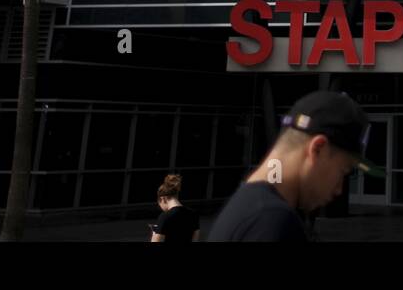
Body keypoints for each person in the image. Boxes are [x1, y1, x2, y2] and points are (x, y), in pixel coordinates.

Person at [207, 90, 381, 242]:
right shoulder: (272, 221)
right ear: (318, 149)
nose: (339, 190)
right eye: (343, 171)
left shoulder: (252, 208)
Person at [149, 173, 200, 242]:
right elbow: (195, 239)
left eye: (159, 204)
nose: (161, 208)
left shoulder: (165, 217)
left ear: (163, 199)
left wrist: (155, 233)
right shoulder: (193, 214)